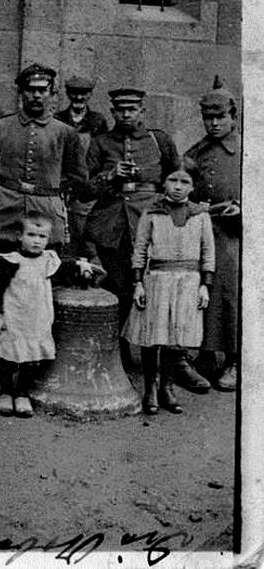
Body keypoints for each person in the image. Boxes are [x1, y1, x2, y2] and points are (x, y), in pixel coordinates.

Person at [84, 89, 204, 389]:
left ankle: (174, 363)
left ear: (142, 110)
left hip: (154, 220)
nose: (126, 114)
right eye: (120, 109)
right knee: (121, 288)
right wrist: (110, 176)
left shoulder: (158, 139)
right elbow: (85, 188)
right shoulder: (101, 143)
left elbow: (178, 176)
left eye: (132, 109)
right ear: (112, 111)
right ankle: (120, 355)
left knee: (164, 289)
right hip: (113, 223)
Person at [0, 64, 86, 359]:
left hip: (43, 218)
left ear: (52, 94)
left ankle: (35, 359)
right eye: (30, 90)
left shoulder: (66, 133)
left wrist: (57, 206)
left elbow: (77, 177)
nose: (36, 96)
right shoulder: (0, 128)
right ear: (20, 93)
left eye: (42, 91)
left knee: (39, 290)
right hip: (3, 213)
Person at [0, 212, 97, 417]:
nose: (36, 241)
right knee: (8, 355)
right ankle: (6, 392)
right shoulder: (10, 261)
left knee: (31, 357)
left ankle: (22, 392)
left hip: (36, 318)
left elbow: (65, 266)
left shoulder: (48, 260)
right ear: (19, 236)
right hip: (13, 318)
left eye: (42, 237)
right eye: (31, 235)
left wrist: (80, 264)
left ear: (48, 239)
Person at [123, 169, 215, 415]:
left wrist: (205, 285)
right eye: (173, 180)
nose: (177, 186)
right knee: (153, 335)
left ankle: (167, 387)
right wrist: (138, 284)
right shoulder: (151, 213)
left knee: (177, 336)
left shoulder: (201, 216)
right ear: (163, 183)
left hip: (189, 282)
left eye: (185, 182)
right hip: (157, 281)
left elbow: (208, 253)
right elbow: (140, 249)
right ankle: (150, 389)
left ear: (193, 187)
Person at [184, 81, 241, 392]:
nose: (214, 124)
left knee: (231, 297)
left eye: (220, 117)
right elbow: (178, 185)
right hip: (204, 233)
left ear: (233, 116)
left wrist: (243, 210)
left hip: (236, 237)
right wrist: (194, 206)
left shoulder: (249, 150)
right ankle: (206, 355)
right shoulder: (197, 151)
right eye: (208, 118)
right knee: (205, 293)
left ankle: (233, 360)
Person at [54, 75, 110, 261]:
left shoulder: (97, 121)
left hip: (88, 186)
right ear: (68, 94)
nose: (78, 98)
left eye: (83, 94)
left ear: (90, 95)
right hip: (62, 183)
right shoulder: (58, 119)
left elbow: (103, 151)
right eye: (74, 93)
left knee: (85, 234)